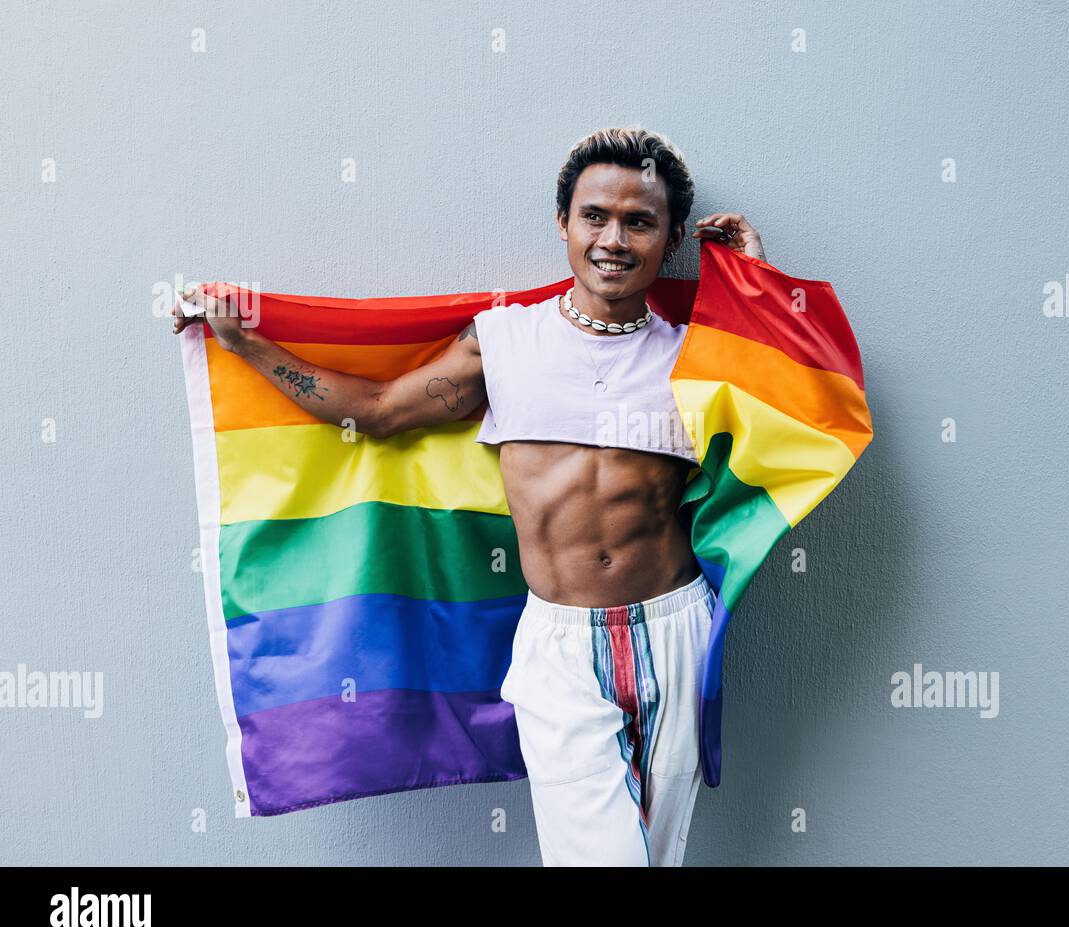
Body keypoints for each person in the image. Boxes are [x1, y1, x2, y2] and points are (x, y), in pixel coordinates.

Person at [171, 126, 766, 866]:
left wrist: (754, 286)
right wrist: (247, 343)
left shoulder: (696, 353)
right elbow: (380, 412)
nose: (613, 238)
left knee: (659, 856)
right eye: (594, 217)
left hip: (677, 629)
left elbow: (786, 421)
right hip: (561, 648)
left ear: (671, 235)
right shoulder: (504, 345)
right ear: (564, 223)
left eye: (639, 221)